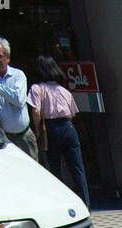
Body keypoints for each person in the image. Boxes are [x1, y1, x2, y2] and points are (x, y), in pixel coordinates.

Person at [26, 55, 92, 206]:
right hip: (68, 128)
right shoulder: (64, 91)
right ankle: (85, 203)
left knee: (55, 168)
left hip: (50, 128)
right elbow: (71, 113)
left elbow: (36, 111)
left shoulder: (37, 88)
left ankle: (62, 202)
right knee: (77, 168)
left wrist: (37, 130)